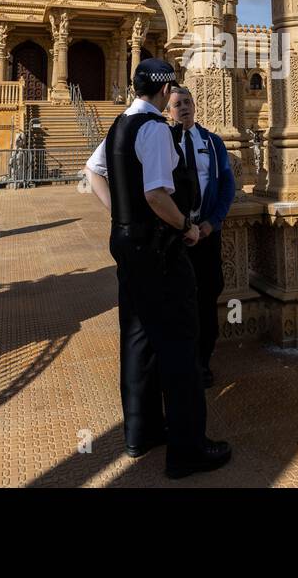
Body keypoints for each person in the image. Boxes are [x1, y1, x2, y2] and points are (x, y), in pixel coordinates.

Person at [84, 59, 232, 479]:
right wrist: (184, 226)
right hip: (158, 248)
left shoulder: (119, 125)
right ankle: (188, 449)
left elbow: (93, 172)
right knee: (181, 343)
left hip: (127, 244)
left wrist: (120, 217)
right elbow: (156, 194)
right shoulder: (155, 130)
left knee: (137, 338)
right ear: (166, 91)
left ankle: (141, 431)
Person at [165, 85, 237, 388]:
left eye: (188, 102)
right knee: (179, 300)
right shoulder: (164, 142)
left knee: (208, 295)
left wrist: (212, 222)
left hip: (206, 233)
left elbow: (226, 186)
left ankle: (203, 362)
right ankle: (180, 362)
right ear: (168, 111)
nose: (184, 107)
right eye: (177, 104)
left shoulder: (212, 141)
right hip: (176, 236)